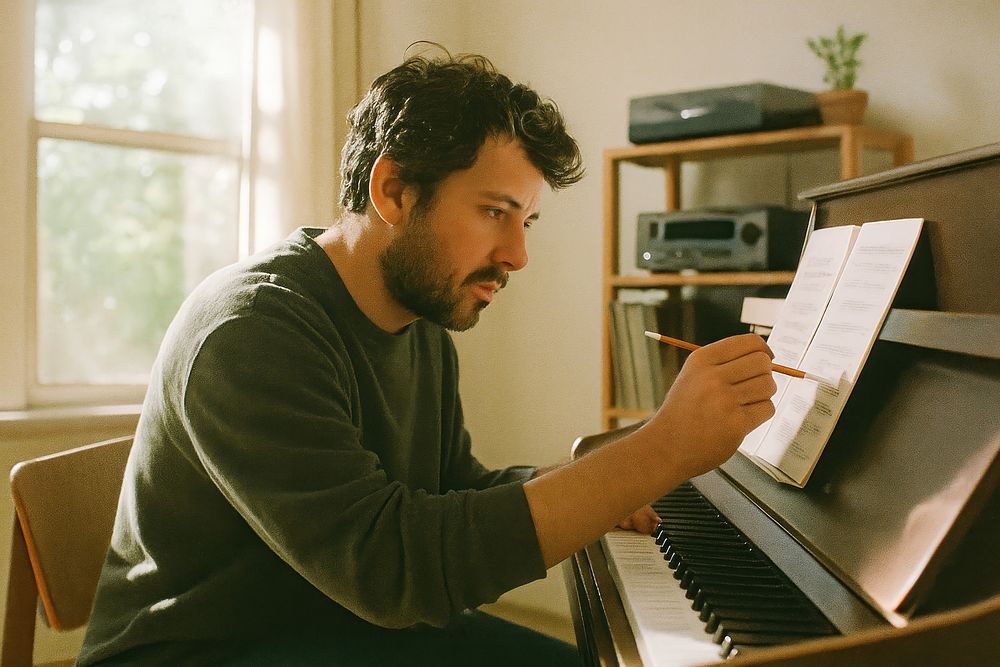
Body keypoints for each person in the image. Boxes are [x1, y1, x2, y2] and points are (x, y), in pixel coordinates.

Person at [79, 49, 776, 666]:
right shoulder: (251, 331)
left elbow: (447, 488)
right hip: (208, 650)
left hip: (333, 626)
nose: (517, 255)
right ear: (393, 191)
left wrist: (588, 485)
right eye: (494, 212)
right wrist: (659, 450)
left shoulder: (421, 319)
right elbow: (394, 571)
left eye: (524, 222)